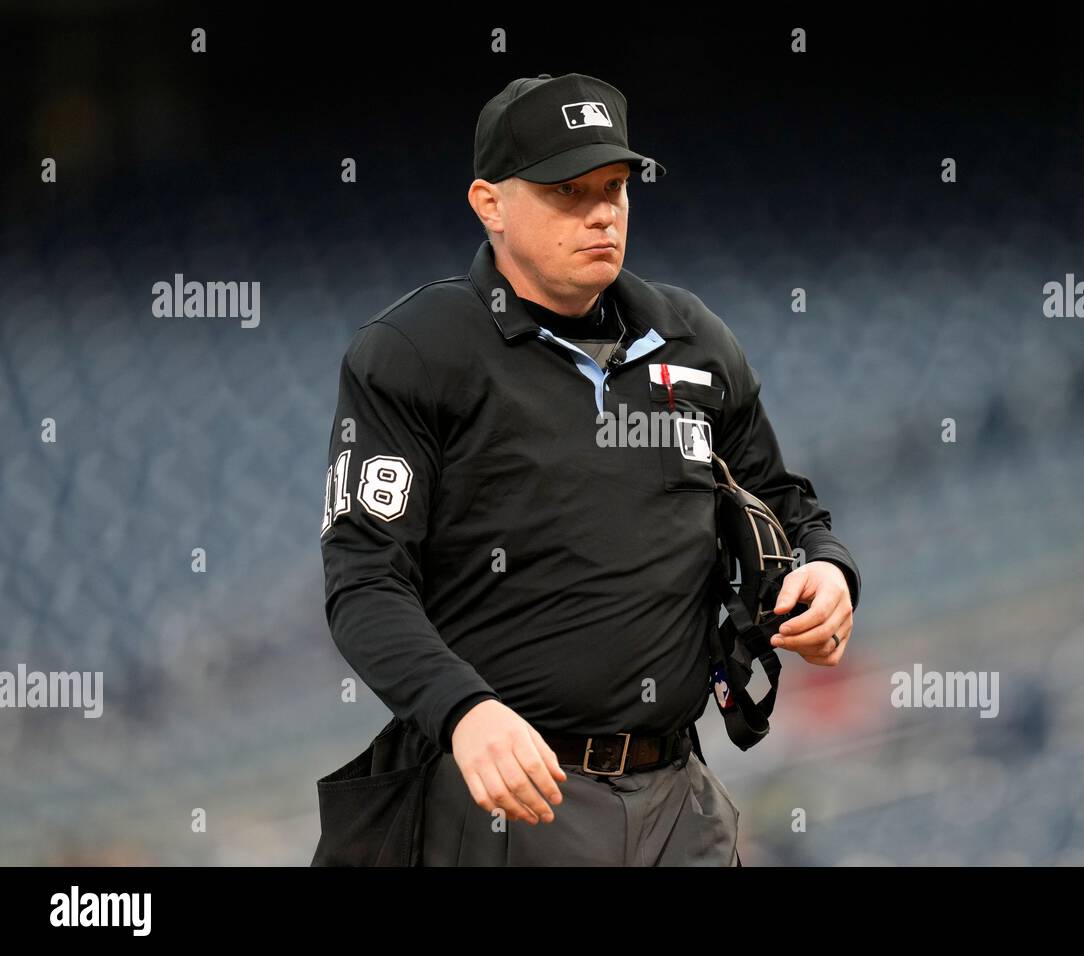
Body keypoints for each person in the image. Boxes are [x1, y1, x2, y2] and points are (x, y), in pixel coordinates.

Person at [318, 72, 861, 866]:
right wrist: (462, 710)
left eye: (615, 187)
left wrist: (828, 572)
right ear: (489, 203)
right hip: (513, 801)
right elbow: (364, 580)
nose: (603, 211)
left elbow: (784, 502)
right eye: (568, 190)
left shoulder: (692, 340)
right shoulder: (416, 354)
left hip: (680, 798)